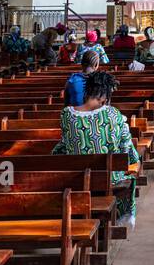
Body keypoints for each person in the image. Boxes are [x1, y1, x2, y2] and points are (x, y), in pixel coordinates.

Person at [53, 71, 140, 225]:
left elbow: (64, 146)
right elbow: (128, 152)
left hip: (77, 178)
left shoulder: (66, 115)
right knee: (128, 174)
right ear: (104, 97)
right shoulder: (114, 115)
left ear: (87, 91)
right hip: (108, 179)